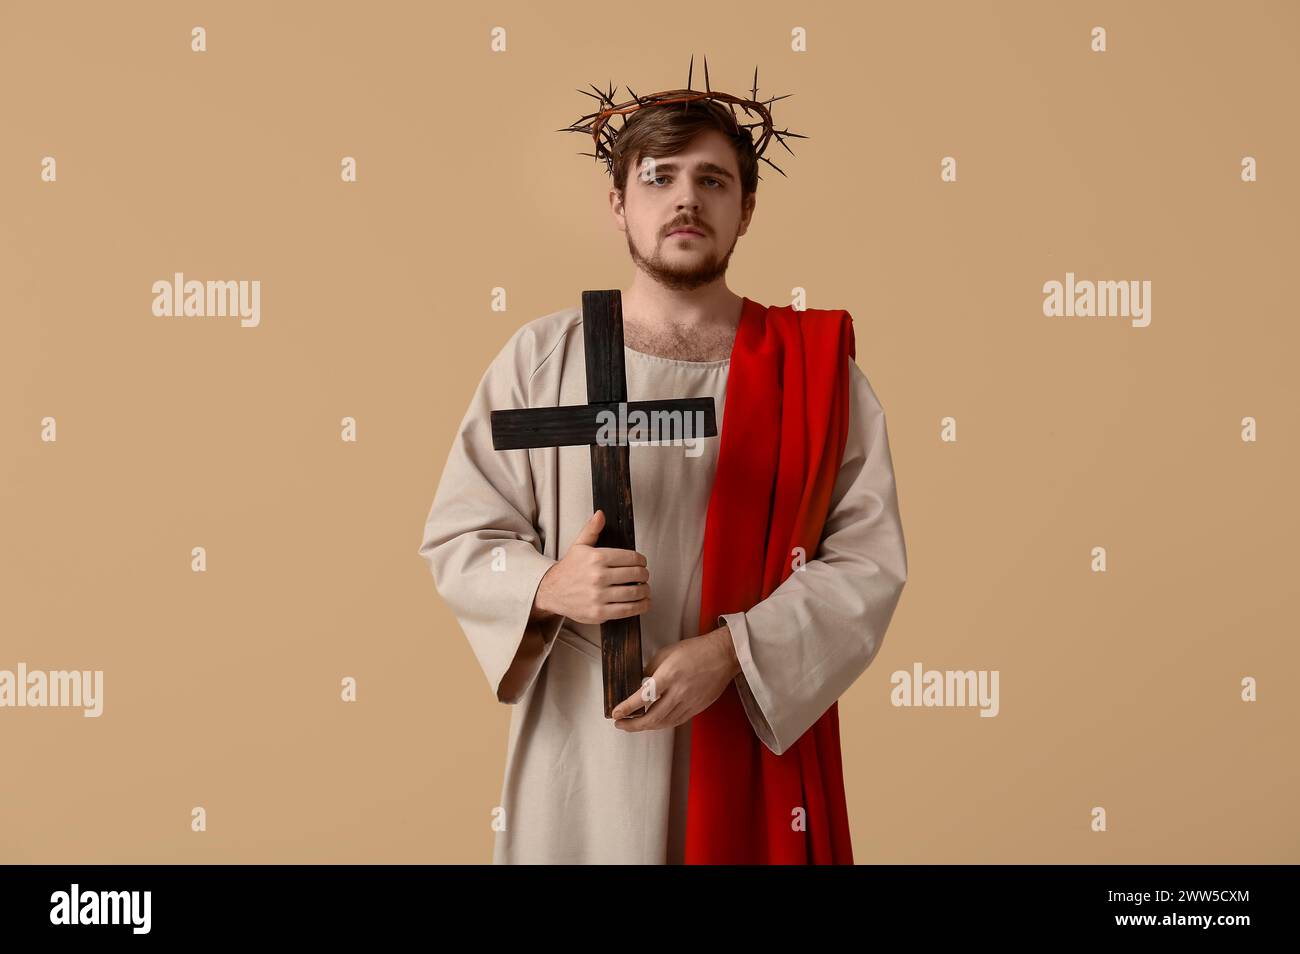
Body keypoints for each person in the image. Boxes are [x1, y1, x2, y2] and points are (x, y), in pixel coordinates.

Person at [418, 62, 908, 863]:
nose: (686, 199)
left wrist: (735, 653)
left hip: (746, 726)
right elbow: (462, 536)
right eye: (659, 178)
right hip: (587, 739)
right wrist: (546, 586)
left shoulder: (813, 374)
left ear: (746, 210)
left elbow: (866, 562)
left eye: (713, 180)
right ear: (619, 204)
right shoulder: (543, 358)